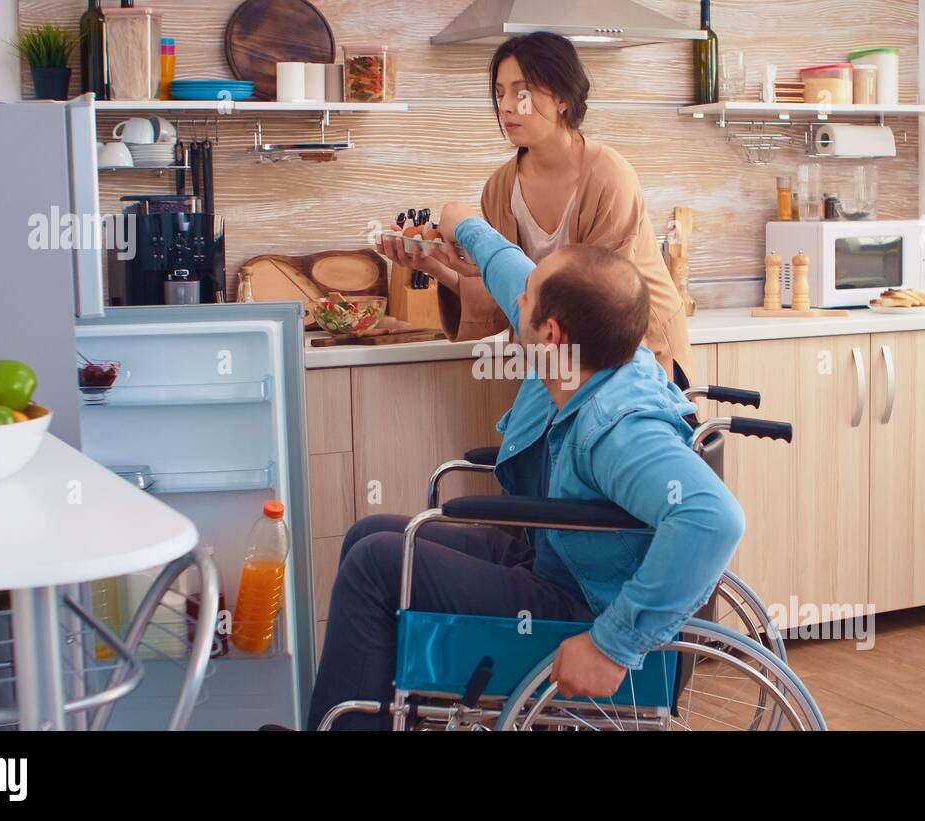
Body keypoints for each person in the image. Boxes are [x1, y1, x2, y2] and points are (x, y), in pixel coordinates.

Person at [306, 205, 743, 731]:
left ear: (551, 332)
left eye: (527, 300)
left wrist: (612, 645)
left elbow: (712, 517)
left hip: (586, 606)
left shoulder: (618, 428)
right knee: (369, 534)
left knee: (377, 563)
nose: (517, 301)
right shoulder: (589, 353)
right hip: (557, 559)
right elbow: (508, 266)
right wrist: (459, 222)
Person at [377, 32, 692, 383]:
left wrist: (474, 237)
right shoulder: (499, 188)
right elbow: (510, 297)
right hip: (562, 357)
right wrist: (436, 267)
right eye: (499, 93)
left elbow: (595, 301)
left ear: (561, 97)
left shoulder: (608, 178)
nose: (507, 105)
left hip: (637, 353)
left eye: (520, 91)